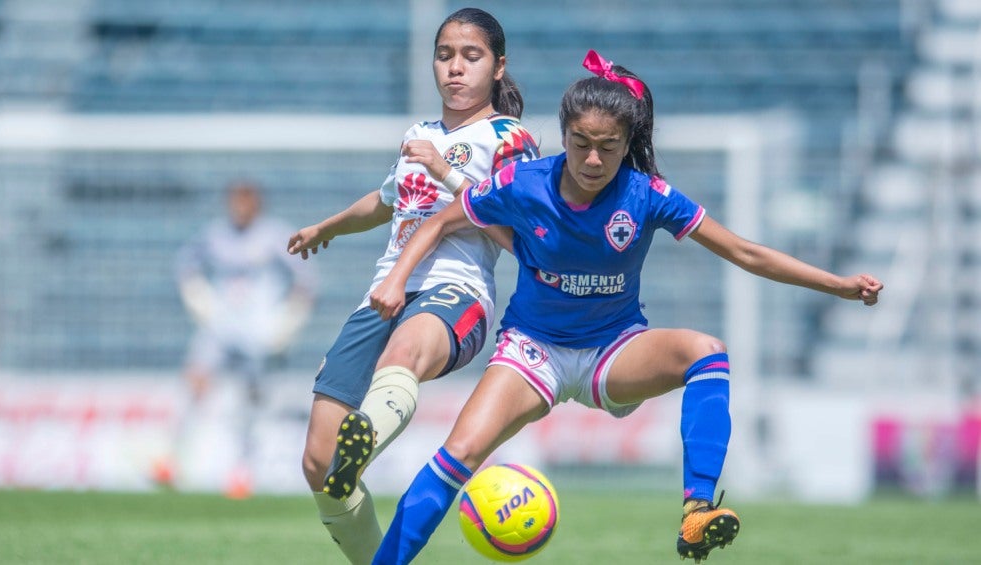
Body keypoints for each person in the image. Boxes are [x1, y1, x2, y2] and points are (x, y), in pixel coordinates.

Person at [366, 49, 884, 564]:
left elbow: (744, 251)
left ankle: (697, 510)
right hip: (531, 352)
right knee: (457, 456)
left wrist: (836, 285)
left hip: (613, 350)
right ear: (564, 135)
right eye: (581, 144)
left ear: (628, 144)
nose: (593, 160)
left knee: (708, 353)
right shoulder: (523, 183)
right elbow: (439, 221)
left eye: (609, 147)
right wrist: (397, 279)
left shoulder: (648, 194)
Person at [286, 8, 540, 565]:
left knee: (402, 355)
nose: (455, 69)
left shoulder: (509, 138)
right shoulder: (418, 135)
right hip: (383, 294)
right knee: (318, 463)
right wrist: (326, 227)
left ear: (499, 67)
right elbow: (384, 201)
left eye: (471, 57)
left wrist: (449, 174)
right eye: (445, 55)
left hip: (457, 293)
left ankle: (366, 439)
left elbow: (522, 237)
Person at [157, 181, 316, 498]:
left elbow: (306, 279)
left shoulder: (274, 236)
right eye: (234, 202)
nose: (239, 209)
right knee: (196, 383)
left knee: (250, 400)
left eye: (245, 202)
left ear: (257, 204)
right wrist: (197, 297)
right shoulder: (216, 235)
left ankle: (243, 470)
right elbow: (185, 265)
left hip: (258, 332)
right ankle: (171, 461)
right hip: (220, 326)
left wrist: (289, 321)